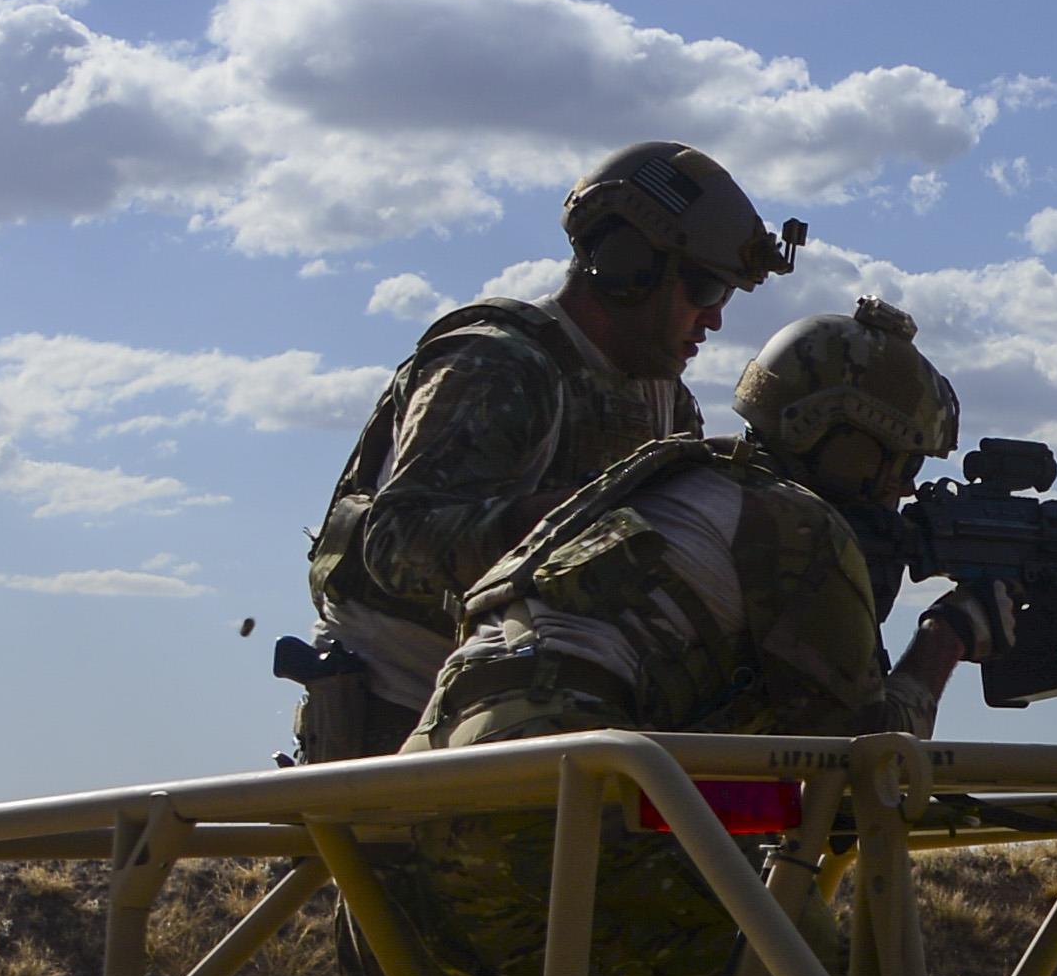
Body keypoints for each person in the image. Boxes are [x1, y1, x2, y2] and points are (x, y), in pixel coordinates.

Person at [385, 298, 966, 976]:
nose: (904, 488)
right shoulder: (796, 526)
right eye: (898, 462)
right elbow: (865, 765)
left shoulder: (664, 485)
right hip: (567, 802)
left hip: (425, 799)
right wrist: (947, 641)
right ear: (842, 439)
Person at [288, 142, 800, 760]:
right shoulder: (497, 364)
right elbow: (397, 544)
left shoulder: (666, 401)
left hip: (541, 715)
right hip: (402, 728)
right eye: (705, 287)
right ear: (627, 265)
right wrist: (589, 523)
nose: (713, 319)